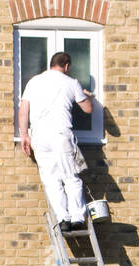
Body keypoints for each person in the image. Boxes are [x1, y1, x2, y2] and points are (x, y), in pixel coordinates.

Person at [18, 51, 95, 234]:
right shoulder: (71, 83)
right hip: (61, 135)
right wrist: (88, 95)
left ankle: (63, 219)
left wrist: (24, 136)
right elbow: (88, 109)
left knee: (51, 179)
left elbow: (23, 110)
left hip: (39, 136)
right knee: (71, 177)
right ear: (67, 66)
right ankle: (77, 217)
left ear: (51, 64)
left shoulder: (34, 82)